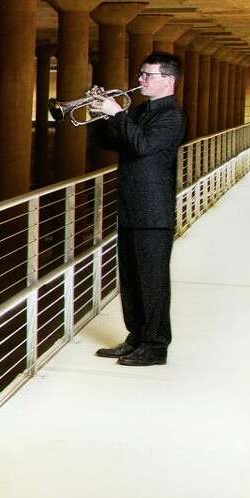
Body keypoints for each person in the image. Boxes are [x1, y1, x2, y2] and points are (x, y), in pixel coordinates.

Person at [89, 53, 186, 366]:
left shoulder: (172, 116)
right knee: (130, 280)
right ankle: (136, 337)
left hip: (154, 212)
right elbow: (113, 143)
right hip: (132, 207)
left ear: (168, 80)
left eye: (148, 75)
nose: (140, 79)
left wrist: (118, 113)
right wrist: (102, 114)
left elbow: (142, 146)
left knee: (152, 282)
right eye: (141, 74)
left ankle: (155, 347)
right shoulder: (142, 111)